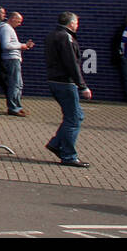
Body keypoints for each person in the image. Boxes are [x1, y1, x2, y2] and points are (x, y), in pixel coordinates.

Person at [45, 12, 92, 168]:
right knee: (74, 118)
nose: (77, 26)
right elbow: (71, 63)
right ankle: (68, 155)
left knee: (76, 115)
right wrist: (82, 85)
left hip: (54, 80)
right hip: (65, 82)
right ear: (71, 23)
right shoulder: (66, 37)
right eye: (76, 23)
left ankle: (56, 143)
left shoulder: (52, 35)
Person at [0, 11, 34, 116]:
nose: (19, 24)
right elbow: (6, 45)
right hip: (11, 59)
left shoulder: (6, 28)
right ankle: (13, 107)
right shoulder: (6, 29)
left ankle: (17, 106)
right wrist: (22, 46)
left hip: (13, 59)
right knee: (15, 84)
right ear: (12, 19)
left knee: (18, 84)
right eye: (18, 21)